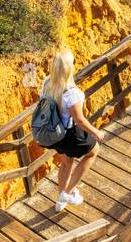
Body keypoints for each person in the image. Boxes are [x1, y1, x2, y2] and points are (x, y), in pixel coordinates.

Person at [39, 48, 104, 211]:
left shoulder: (47, 82)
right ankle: (66, 193)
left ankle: (61, 201)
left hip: (52, 133)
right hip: (67, 135)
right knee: (92, 152)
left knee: (67, 162)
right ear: (69, 68)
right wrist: (96, 132)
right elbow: (79, 120)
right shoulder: (72, 93)